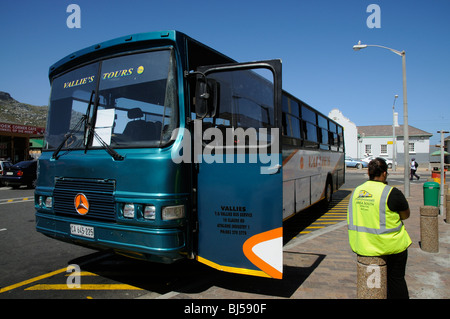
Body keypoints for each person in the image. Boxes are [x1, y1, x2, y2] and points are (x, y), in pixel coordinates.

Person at [347, 157, 411, 299]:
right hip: (391, 246)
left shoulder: (356, 191)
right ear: (384, 173)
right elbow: (406, 215)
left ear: (369, 173)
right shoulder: (391, 192)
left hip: (363, 245)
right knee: (396, 280)